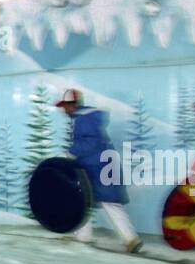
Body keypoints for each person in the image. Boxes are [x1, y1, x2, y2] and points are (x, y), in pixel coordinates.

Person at [54, 89, 141, 253]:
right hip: (97, 165)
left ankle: (131, 239)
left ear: (73, 105)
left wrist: (70, 152)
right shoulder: (85, 117)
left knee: (108, 202)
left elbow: (91, 142)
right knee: (84, 201)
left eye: (65, 106)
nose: (63, 110)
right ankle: (83, 236)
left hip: (98, 166)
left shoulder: (83, 119)